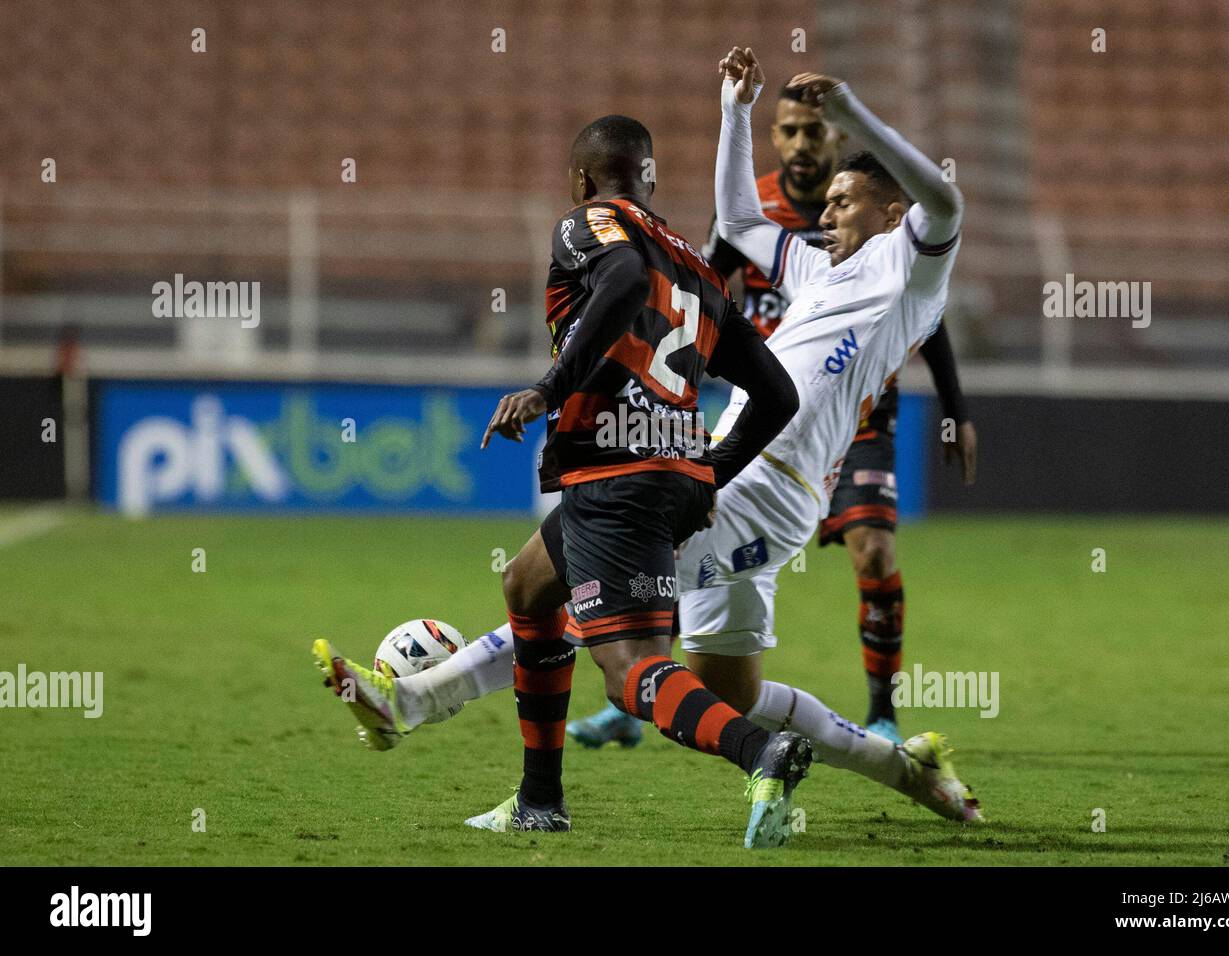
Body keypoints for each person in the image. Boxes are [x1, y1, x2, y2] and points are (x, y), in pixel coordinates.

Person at [315, 111, 821, 849]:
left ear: (583, 179)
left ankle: (759, 750)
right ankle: (539, 799)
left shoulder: (590, 225)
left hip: (615, 474)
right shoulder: (696, 265)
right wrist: (709, 471)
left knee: (631, 676)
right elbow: (778, 394)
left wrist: (549, 389)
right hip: (670, 473)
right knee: (527, 584)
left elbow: (619, 278)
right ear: (649, 176)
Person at [571, 78, 977, 749]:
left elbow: (945, 202)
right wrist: (734, 109)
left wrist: (852, 110)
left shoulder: (907, 261)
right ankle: (885, 761)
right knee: (729, 684)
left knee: (598, 573)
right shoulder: (815, 267)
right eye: (829, 201)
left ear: (889, 212)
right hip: (746, 451)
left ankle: (436, 696)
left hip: (797, 463)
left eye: (842, 202)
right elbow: (735, 225)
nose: (825, 212)